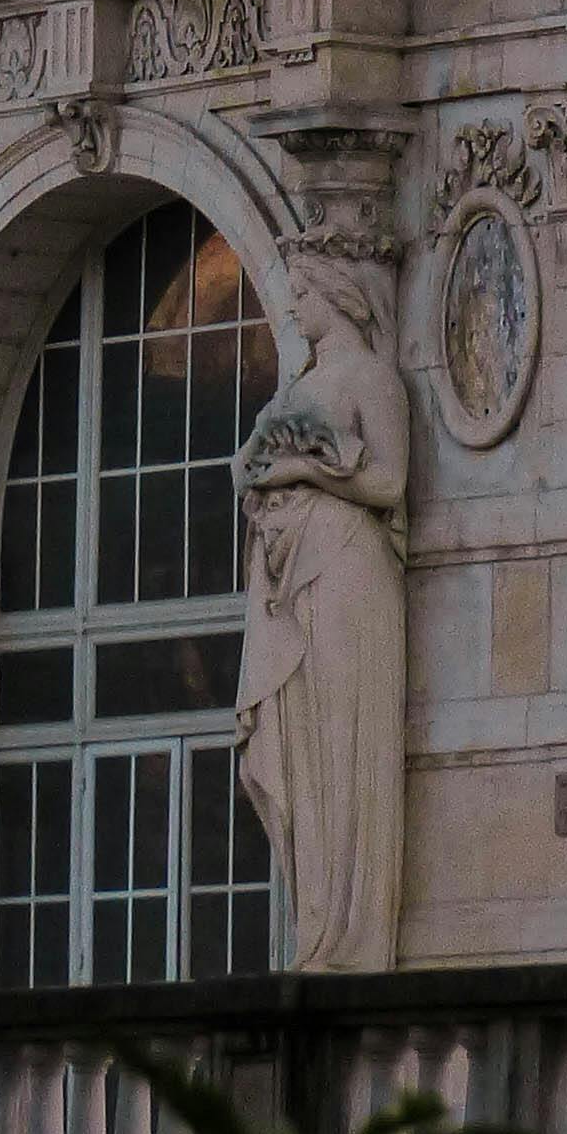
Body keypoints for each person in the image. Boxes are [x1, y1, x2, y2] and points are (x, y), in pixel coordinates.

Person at [234, 247, 407, 970]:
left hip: (343, 569)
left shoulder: (370, 377)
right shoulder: (301, 383)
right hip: (289, 573)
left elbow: (391, 482)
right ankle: (315, 929)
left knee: (341, 745)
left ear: (337, 295)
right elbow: (246, 464)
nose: (293, 306)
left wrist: (306, 468)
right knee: (301, 754)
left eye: (301, 292)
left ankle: (349, 932)